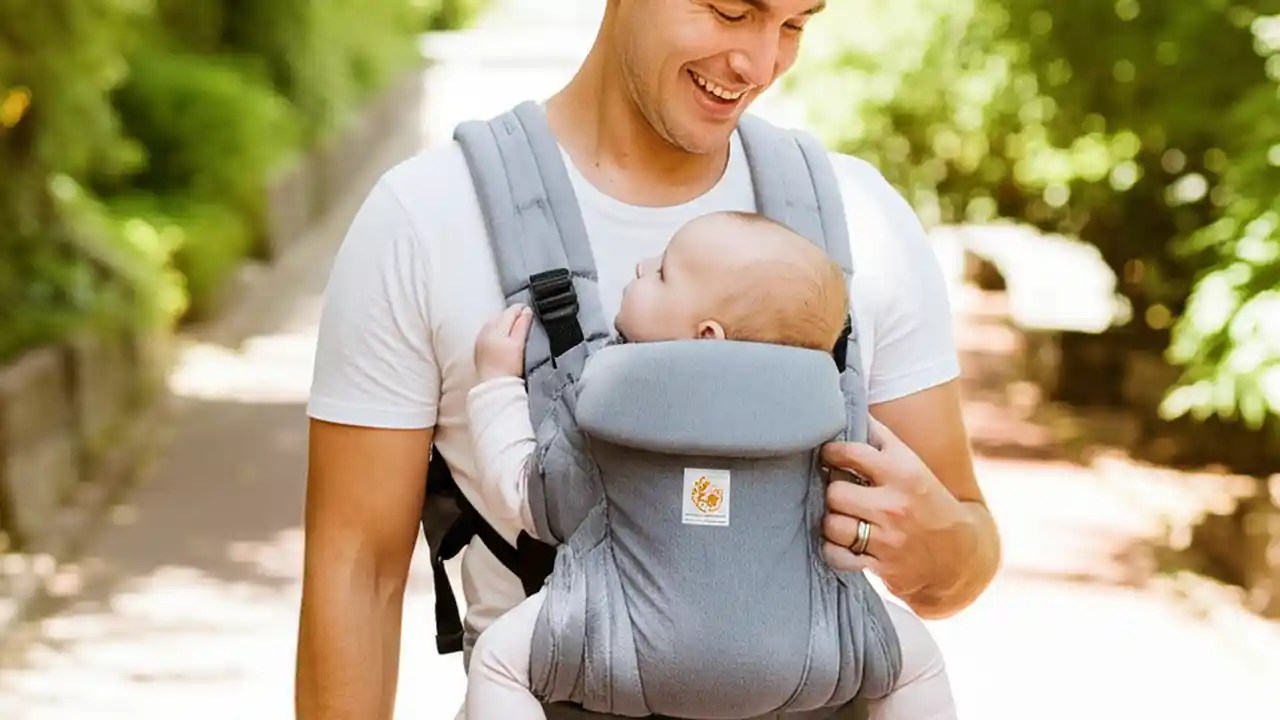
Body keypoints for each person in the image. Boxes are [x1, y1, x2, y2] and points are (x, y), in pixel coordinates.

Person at [295, 1, 1001, 718]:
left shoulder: (861, 220)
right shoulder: (426, 219)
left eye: (794, 25)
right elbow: (357, 575)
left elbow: (964, 551)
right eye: (732, 11)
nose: (759, 64)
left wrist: (939, 548)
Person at [462, 210, 957, 720]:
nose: (641, 266)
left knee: (498, 661)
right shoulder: (829, 413)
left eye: (661, 273)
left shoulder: (601, 403)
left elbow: (522, 496)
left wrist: (496, 382)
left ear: (706, 335)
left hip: (616, 639)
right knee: (916, 662)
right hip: (804, 646)